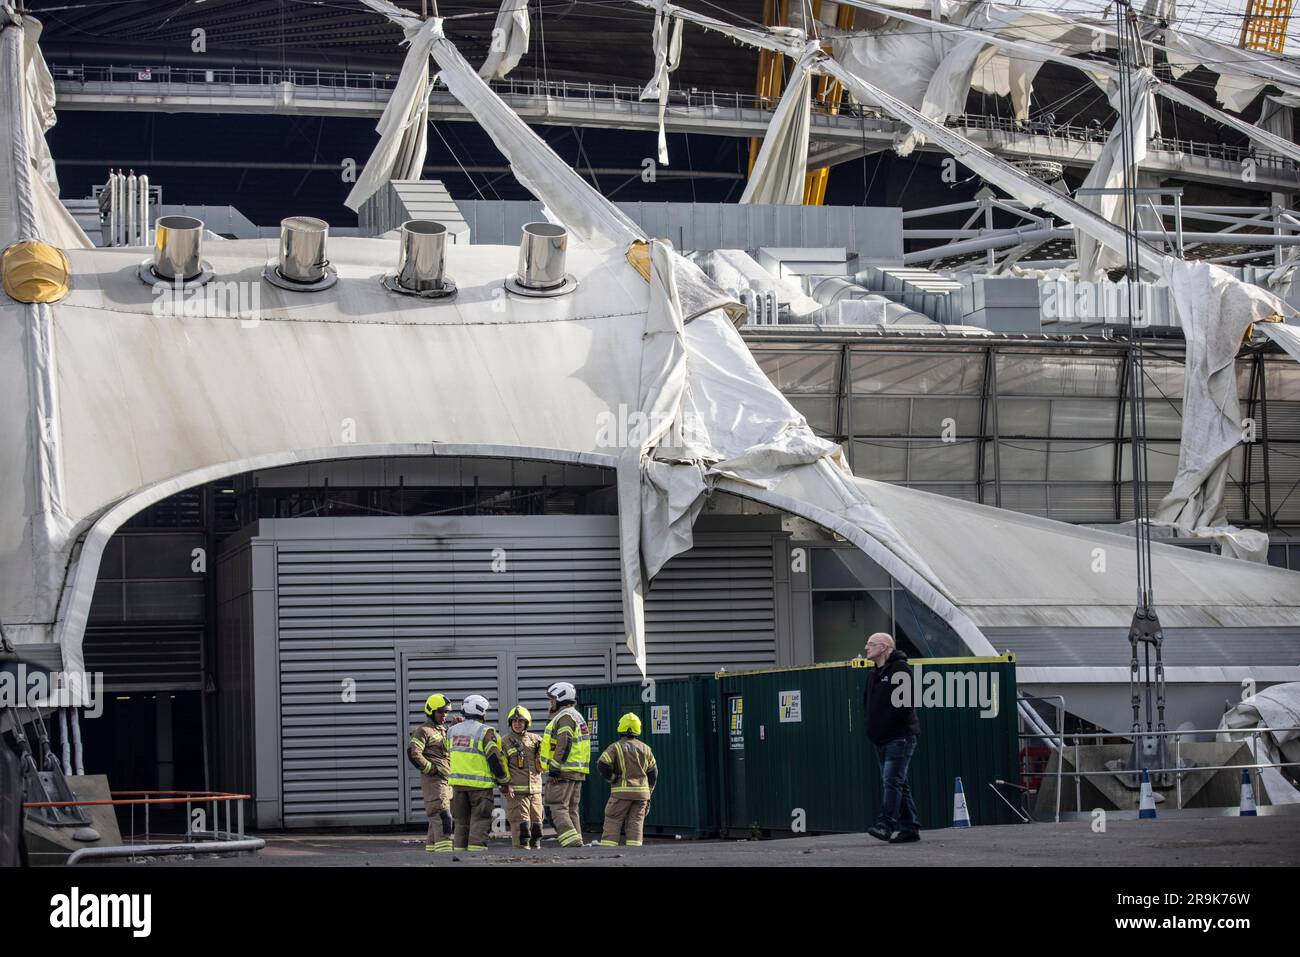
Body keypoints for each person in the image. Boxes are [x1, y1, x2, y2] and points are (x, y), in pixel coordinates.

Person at [863, 632, 922, 844]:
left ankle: (885, 825)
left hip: (899, 737)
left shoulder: (900, 669)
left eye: (871, 644)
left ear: (884, 647)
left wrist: (888, 727)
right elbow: (867, 705)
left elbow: (905, 705)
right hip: (881, 739)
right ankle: (910, 828)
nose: (866, 647)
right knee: (898, 783)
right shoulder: (874, 673)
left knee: (892, 782)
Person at [447, 694, 510, 851]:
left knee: (461, 822)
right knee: (480, 820)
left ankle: (459, 854)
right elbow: (495, 759)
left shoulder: (451, 731)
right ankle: (476, 855)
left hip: (458, 787)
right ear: (481, 711)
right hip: (480, 788)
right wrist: (504, 781)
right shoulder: (485, 732)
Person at [539, 681, 590, 848]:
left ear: (560, 698)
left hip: (563, 771)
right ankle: (577, 841)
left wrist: (554, 768)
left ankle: (571, 842)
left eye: (552, 699)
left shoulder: (565, 717)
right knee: (571, 810)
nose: (550, 702)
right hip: (576, 771)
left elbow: (564, 742)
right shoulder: (575, 715)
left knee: (556, 807)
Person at [596, 712, 657, 847]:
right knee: (636, 822)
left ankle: (607, 851)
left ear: (621, 727)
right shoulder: (646, 748)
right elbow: (653, 774)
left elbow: (602, 764)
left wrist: (612, 778)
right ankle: (634, 854)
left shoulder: (615, 747)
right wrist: (649, 792)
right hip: (642, 794)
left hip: (621, 793)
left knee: (613, 819)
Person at [407, 692, 453, 853]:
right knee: (443, 818)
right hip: (434, 783)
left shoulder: (442, 730)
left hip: (445, 783)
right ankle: (445, 857)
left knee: (436, 821)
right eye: (441, 712)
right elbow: (413, 753)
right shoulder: (423, 730)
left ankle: (431, 855)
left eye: (446, 712)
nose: (444, 715)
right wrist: (431, 769)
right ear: (431, 712)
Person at [501, 704, 544, 850]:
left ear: (527, 723)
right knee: (522, 829)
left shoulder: (536, 740)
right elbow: (502, 766)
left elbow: (546, 761)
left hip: (536, 792)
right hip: (517, 793)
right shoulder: (505, 742)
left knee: (537, 827)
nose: (517, 724)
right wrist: (506, 784)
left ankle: (536, 858)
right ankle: (520, 858)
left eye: (520, 721)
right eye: (514, 721)